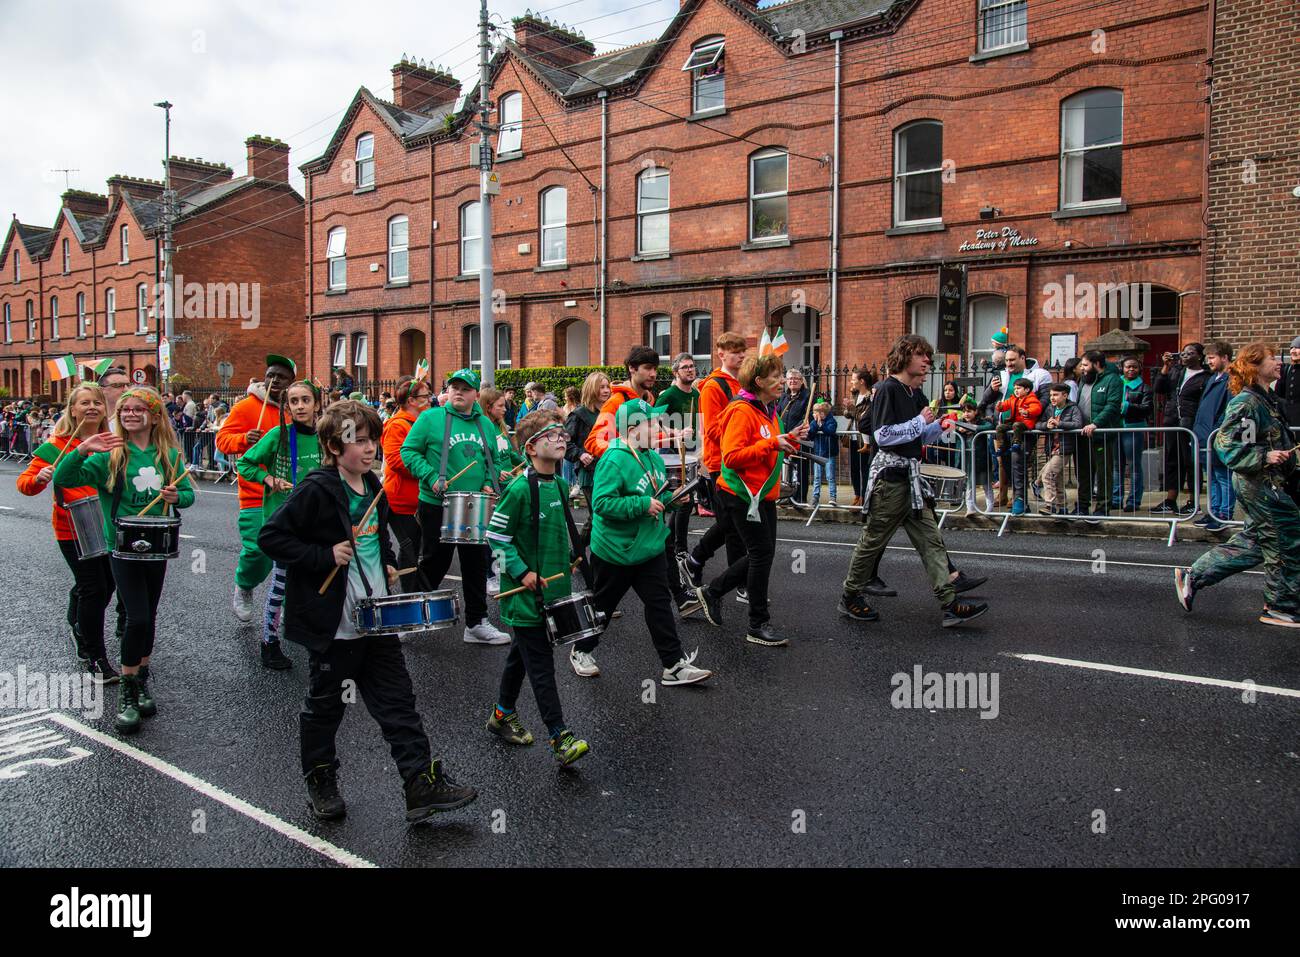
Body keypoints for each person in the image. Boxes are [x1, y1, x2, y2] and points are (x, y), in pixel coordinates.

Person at [258, 400, 478, 822]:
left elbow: (378, 541)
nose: (369, 447)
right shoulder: (318, 488)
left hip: (375, 619)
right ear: (331, 446)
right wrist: (322, 555)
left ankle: (419, 785)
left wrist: (390, 562)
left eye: (371, 439)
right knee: (325, 708)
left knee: (399, 704)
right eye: (356, 441)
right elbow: (273, 537)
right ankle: (321, 781)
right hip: (334, 624)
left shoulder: (372, 485)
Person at [54, 386, 196, 734]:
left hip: (157, 545)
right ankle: (128, 692)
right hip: (122, 547)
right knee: (137, 617)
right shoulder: (112, 455)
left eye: (138, 409)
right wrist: (84, 449)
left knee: (149, 618)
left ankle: (142, 680)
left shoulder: (168, 456)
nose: (131, 414)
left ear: (155, 415)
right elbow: (63, 478)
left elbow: (189, 495)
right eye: (125, 409)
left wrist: (178, 495)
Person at [837, 335, 989, 628]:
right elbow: (883, 436)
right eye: (922, 355)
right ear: (906, 356)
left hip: (913, 481)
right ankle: (849, 596)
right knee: (872, 542)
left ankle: (949, 605)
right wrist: (921, 421)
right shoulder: (887, 390)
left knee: (931, 542)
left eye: (928, 357)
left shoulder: (915, 393)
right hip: (890, 482)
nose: (928, 361)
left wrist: (937, 427)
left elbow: (917, 439)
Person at [567, 399, 713, 683]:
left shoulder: (653, 457)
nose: (659, 427)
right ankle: (580, 649)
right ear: (633, 428)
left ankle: (673, 665)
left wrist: (670, 501)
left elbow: (654, 498)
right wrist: (642, 504)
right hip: (615, 552)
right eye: (653, 423)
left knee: (659, 605)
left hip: (649, 549)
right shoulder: (613, 458)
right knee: (603, 609)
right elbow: (602, 504)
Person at [484, 409, 591, 766]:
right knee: (542, 666)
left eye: (562, 433)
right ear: (530, 448)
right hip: (525, 596)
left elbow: (560, 532)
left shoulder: (560, 485)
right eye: (551, 435)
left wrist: (573, 558)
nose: (561, 438)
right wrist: (521, 570)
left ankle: (501, 715)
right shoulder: (518, 489)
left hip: (553, 594)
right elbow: (495, 537)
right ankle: (560, 736)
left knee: (521, 656)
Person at [1173, 342, 1300, 628]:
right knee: (1285, 540)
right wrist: (1264, 455)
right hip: (1261, 485)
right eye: (1271, 359)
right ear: (1254, 366)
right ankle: (1280, 606)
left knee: (1256, 542)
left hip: (1271, 482)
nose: (1279, 363)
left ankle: (1192, 576)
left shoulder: (1266, 398)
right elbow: (1228, 445)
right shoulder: (1247, 402)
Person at [694, 354, 805, 645]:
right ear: (758, 382)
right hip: (741, 494)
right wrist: (771, 444)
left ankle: (713, 592)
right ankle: (757, 624)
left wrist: (789, 439)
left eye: (782, 375)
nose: (782, 381)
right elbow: (731, 457)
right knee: (760, 554)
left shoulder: (769, 411)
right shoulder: (743, 411)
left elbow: (768, 446)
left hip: (762, 494)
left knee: (762, 553)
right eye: (775, 376)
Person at [400, 368, 511, 645]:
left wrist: (489, 481)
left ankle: (476, 623)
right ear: (448, 391)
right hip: (437, 504)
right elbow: (408, 451)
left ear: (475, 394)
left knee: (475, 564)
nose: (458, 392)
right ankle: (412, 617)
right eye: (454, 387)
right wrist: (430, 476)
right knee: (435, 561)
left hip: (474, 504)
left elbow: (493, 461)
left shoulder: (485, 424)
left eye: (465, 388)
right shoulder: (430, 418)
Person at [17, 383, 117, 682]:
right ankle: (94, 656)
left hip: (107, 524)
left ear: (104, 408)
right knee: (94, 587)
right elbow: (25, 484)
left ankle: (76, 620)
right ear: (72, 410)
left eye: (96, 403)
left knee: (108, 584)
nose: (91, 408)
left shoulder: (112, 441)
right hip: (72, 527)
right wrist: (39, 477)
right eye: (84, 403)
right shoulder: (56, 445)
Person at [236, 380, 322, 670]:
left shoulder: (326, 437)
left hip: (315, 524)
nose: (299, 406)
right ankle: (269, 643)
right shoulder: (277, 436)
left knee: (314, 583)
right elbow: (245, 464)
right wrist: (269, 479)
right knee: (281, 585)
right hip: (283, 523)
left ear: (317, 404)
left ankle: (309, 634)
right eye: (294, 401)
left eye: (305, 400)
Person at [217, 354, 296, 622]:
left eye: (281, 377)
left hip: (288, 494)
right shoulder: (246, 407)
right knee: (258, 550)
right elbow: (222, 440)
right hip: (255, 494)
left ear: (291, 382)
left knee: (291, 552)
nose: (274, 381)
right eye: (270, 375)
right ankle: (245, 584)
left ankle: (286, 603)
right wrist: (243, 439)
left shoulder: (295, 409)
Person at [681, 333, 747, 601]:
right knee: (733, 526)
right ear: (721, 354)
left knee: (731, 523)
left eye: (743, 351)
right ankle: (740, 583)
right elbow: (712, 429)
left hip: (738, 460)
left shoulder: (742, 382)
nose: (741, 356)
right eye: (735, 352)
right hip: (720, 463)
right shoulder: (713, 387)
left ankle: (695, 560)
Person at [654, 353, 702, 613]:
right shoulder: (667, 396)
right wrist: (675, 434)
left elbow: (700, 422)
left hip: (692, 452)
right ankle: (676, 547)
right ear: (675, 372)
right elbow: (657, 422)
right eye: (684, 367)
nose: (689, 370)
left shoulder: (696, 394)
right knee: (677, 501)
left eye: (692, 366)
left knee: (688, 501)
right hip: (671, 455)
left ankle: (678, 547)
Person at [381, 376, 432, 594]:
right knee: (409, 548)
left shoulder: (421, 422)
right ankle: (410, 594)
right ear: (411, 400)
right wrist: (428, 468)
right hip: (400, 499)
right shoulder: (397, 425)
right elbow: (394, 459)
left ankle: (417, 590)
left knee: (417, 547)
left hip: (418, 497)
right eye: (425, 396)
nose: (430, 399)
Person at [1152, 342, 1208, 514]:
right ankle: (1171, 499)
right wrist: (1165, 367)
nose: (1185, 356)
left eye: (1190, 353)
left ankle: (1193, 501)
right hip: (1172, 420)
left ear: (1199, 356)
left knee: (1190, 461)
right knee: (1172, 460)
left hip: (1190, 422)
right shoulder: (1176, 371)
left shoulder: (1206, 376)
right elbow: (1159, 388)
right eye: (1183, 353)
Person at [1073, 350, 1123, 519]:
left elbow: (1113, 405)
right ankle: (1082, 505)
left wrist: (1096, 423)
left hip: (1101, 434)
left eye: (1086, 365)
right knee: (1083, 472)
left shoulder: (1113, 380)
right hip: (1082, 434)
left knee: (1103, 473)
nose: (1082, 368)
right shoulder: (1084, 380)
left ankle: (1103, 507)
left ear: (1096, 364)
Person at [1192, 341, 1235, 530]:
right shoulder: (1213, 378)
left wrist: (1216, 431)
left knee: (1223, 476)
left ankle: (1224, 514)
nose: (1208, 361)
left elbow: (1230, 410)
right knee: (1212, 477)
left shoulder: (1231, 379)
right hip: (1205, 436)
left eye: (1212, 358)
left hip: (1217, 436)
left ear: (1224, 357)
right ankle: (1214, 511)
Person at [994, 377, 1043, 515]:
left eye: (1018, 388)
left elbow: (1037, 408)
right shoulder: (1013, 398)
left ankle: (1020, 500)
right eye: (1015, 388)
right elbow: (1005, 406)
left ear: (1027, 390)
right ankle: (1002, 445)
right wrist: (999, 406)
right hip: (1014, 425)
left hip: (1025, 426)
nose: (1016, 391)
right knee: (1000, 427)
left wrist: (1028, 412)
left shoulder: (1031, 399)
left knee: (1018, 464)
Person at [1112, 357, 1153, 513]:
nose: (1131, 370)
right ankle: (1116, 499)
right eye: (1128, 367)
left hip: (1134, 429)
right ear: (1122, 368)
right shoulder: (1116, 384)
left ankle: (1134, 500)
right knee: (1117, 466)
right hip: (1116, 429)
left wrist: (1128, 406)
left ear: (1139, 368)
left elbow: (1147, 408)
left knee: (1134, 466)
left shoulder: (1144, 388)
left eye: (1134, 367)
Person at [1035, 383, 1083, 515]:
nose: (1052, 398)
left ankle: (1049, 505)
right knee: (1057, 479)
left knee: (1047, 475)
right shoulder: (1050, 409)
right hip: (1051, 448)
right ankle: (1062, 508)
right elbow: (1038, 424)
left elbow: (1078, 423)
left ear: (1065, 395)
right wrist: (1046, 425)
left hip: (1064, 449)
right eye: (1051, 395)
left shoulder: (1073, 408)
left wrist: (1060, 424)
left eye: (1055, 395)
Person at [564, 372, 609, 511]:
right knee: (598, 515)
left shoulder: (611, 411)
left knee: (597, 518)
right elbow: (564, 443)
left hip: (609, 469)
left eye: (607, 386)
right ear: (592, 389)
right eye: (601, 387)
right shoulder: (579, 414)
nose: (607, 390)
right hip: (589, 473)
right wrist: (580, 455)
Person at [777, 368, 812, 501]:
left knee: (800, 470)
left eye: (796, 379)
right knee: (787, 469)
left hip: (799, 439)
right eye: (790, 379)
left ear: (801, 381)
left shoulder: (807, 396)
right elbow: (778, 414)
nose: (792, 381)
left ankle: (800, 497)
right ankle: (787, 496)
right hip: (786, 438)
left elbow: (806, 417)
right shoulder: (784, 397)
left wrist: (796, 432)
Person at [847, 370, 875, 507]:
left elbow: (865, 418)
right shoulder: (855, 394)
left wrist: (852, 410)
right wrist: (848, 408)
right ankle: (857, 494)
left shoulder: (870, 397)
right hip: (853, 435)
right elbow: (848, 414)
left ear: (862, 381)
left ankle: (864, 496)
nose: (851, 382)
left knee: (864, 468)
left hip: (865, 439)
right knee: (854, 468)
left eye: (853, 379)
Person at [807, 400, 838, 507]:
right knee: (817, 477)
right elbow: (810, 434)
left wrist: (822, 426)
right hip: (818, 453)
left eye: (820, 413)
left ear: (825, 413)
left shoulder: (831, 421)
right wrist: (816, 424)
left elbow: (830, 431)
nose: (817, 415)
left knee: (830, 476)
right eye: (816, 413)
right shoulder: (813, 422)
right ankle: (815, 496)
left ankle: (832, 496)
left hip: (829, 453)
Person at [1271, 336, 1300, 427]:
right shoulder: (1287, 369)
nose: (1293, 351)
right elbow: (1278, 394)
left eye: (1297, 348)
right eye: (1291, 348)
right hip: (1288, 419)